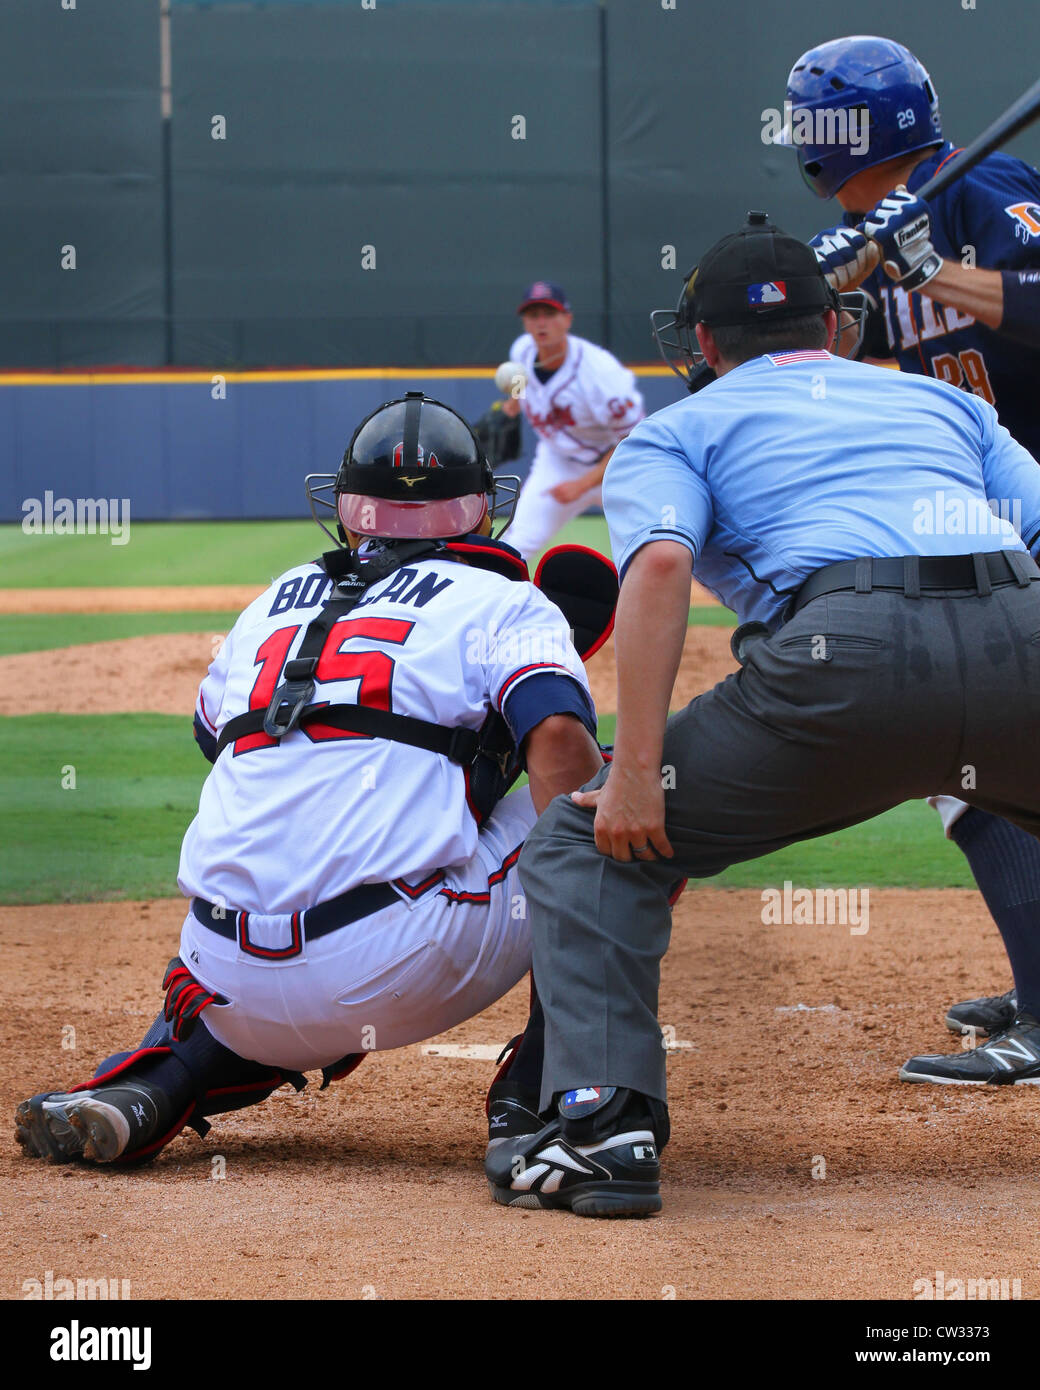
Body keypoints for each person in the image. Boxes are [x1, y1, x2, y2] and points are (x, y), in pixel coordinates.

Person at [485, 213, 1040, 1217]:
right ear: (832, 325)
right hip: (1024, 628)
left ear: (699, 343)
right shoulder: (938, 404)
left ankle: (605, 1129)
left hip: (844, 665)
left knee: (582, 846)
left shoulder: (676, 428)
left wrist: (637, 770)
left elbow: (656, 566)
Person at [14, 393, 608, 1168]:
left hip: (217, 981)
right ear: (480, 509)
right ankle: (546, 1102)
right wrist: (496, 764)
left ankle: (156, 1081)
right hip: (398, 970)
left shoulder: (271, 599)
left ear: (347, 507)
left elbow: (216, 738)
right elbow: (561, 742)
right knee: (614, 794)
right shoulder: (505, 600)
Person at [780, 34, 1040, 1082]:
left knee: (975, 752)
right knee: (977, 758)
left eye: (815, 121)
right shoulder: (861, 226)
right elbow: (835, 375)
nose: (803, 138)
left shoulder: (989, 189)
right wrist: (831, 302)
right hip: (984, 527)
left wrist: (930, 266)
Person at [500, 280, 644, 559]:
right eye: (533, 315)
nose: (541, 323)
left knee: (654, 544)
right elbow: (520, 378)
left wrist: (582, 485)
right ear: (525, 323)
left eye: (550, 314)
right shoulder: (522, 351)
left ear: (567, 319)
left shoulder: (602, 374)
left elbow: (632, 439)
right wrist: (512, 406)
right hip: (558, 461)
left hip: (618, 468)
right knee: (518, 541)